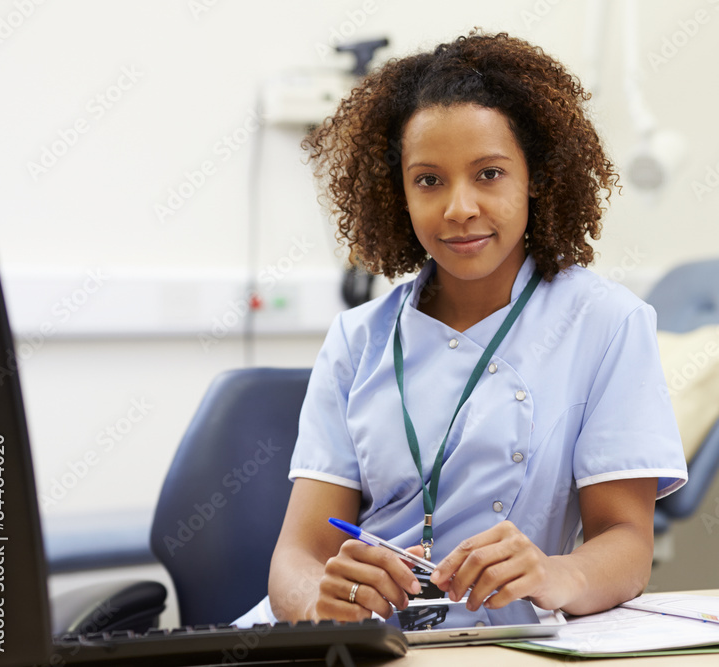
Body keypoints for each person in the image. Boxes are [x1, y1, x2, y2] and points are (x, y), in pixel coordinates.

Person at [234, 30, 686, 627]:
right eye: (428, 180)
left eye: (490, 174)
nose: (458, 207)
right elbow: (298, 556)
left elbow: (626, 541)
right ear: (397, 193)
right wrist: (319, 600)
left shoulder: (606, 324)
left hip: (501, 638)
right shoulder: (357, 338)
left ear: (538, 179)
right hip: (351, 645)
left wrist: (555, 573)